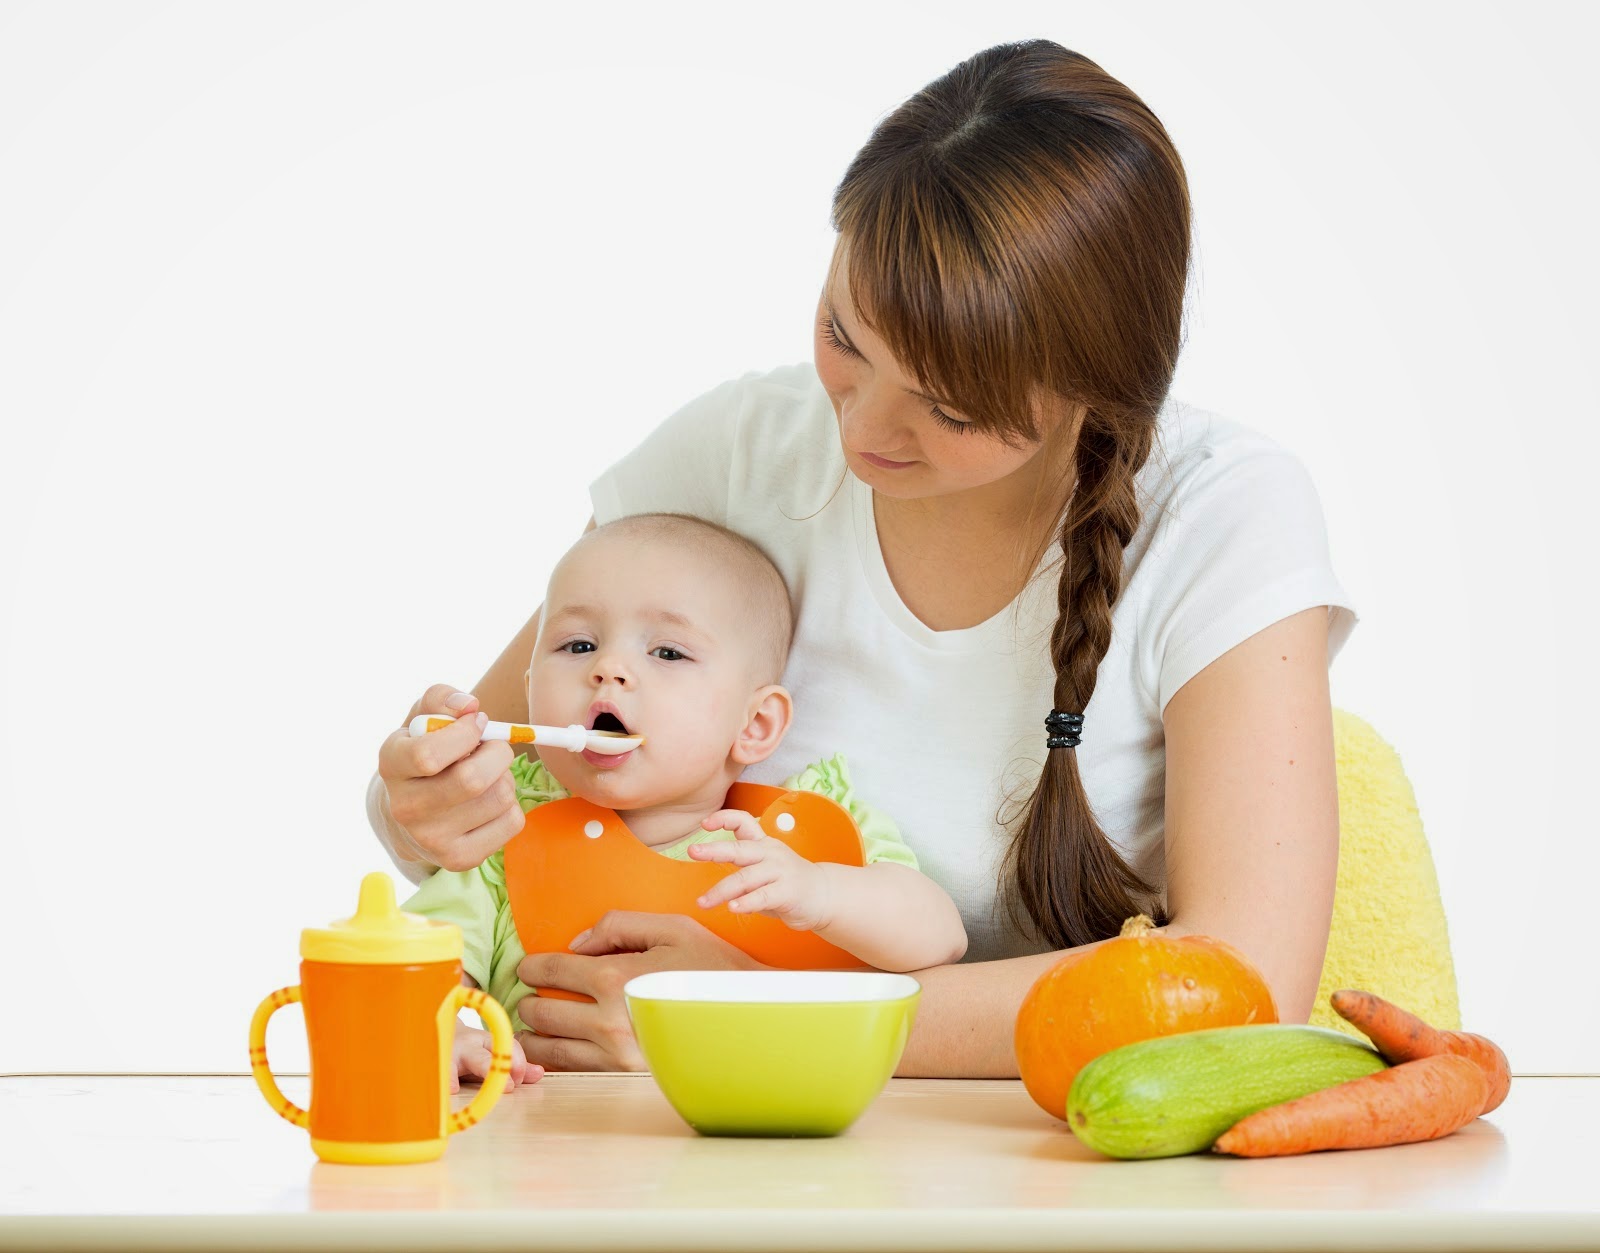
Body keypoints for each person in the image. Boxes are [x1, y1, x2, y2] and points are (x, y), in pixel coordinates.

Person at [370, 39, 1354, 1076]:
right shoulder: (735, 452)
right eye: (845, 335)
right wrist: (423, 793)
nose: (863, 430)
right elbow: (495, 797)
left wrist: (761, 1018)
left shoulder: (1222, 511)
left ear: (1095, 391)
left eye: (948, 403)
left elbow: (1243, 981)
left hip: (1053, 1153)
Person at [401, 512, 967, 1087]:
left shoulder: (801, 836)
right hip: (548, 1155)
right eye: (578, 644)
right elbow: (414, 965)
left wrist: (820, 891)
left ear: (755, 723)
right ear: (527, 691)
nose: (608, 670)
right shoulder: (508, 836)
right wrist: (438, 1024)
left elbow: (941, 936)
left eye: (668, 653)